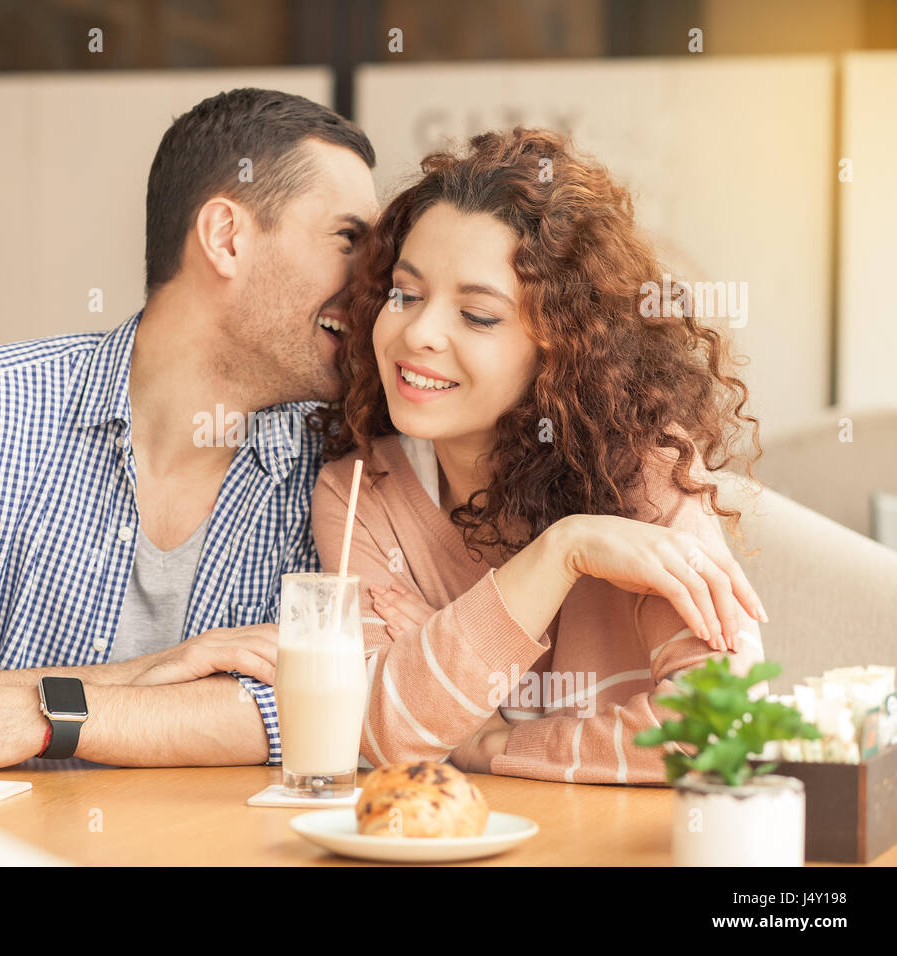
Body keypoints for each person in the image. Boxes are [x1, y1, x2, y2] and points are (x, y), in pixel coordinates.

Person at [0, 88, 379, 769]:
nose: (377, 283)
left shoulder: (337, 466)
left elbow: (341, 706)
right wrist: (151, 675)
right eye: (349, 239)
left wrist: (38, 710)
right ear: (226, 237)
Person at [310, 128, 768, 784]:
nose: (418, 333)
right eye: (406, 294)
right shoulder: (360, 492)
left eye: (478, 315)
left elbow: (721, 729)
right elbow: (385, 730)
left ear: (561, 348)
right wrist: (564, 551)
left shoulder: (647, 475)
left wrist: (490, 743)